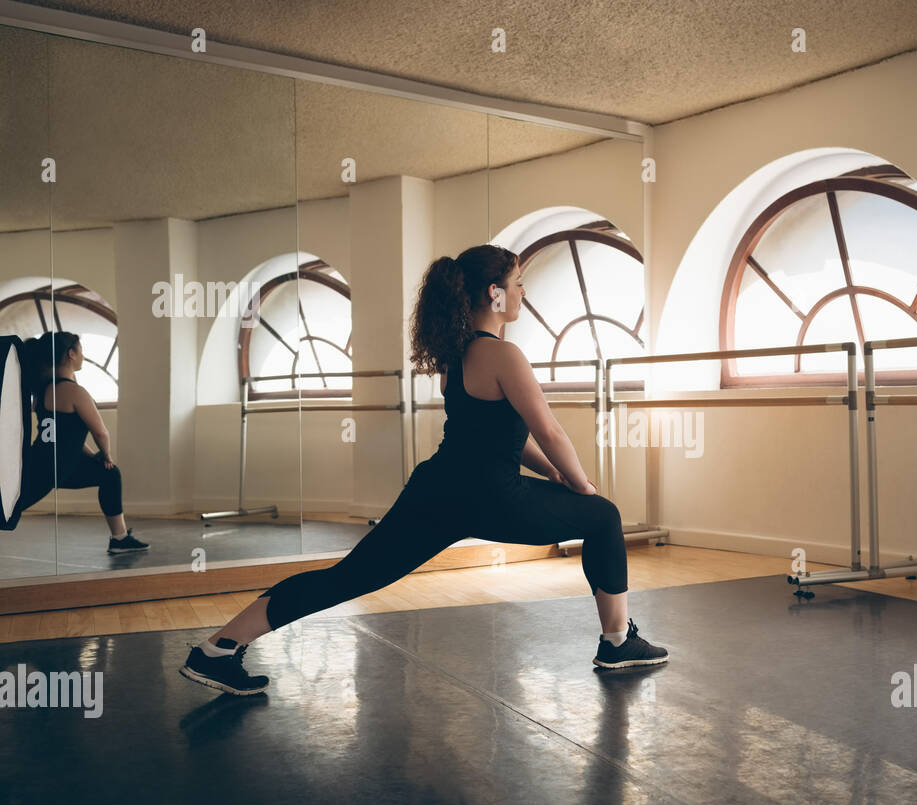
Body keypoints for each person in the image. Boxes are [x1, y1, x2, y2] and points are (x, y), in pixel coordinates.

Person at [180, 244, 668, 695]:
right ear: (495, 294)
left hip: (438, 490)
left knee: (347, 577)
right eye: (519, 282)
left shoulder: (456, 357)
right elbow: (551, 431)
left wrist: (556, 477)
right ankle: (617, 642)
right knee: (603, 516)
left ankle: (217, 649)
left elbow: (496, 436)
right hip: (493, 497)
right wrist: (581, 484)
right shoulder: (503, 354)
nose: (524, 292)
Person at [15, 332, 149, 553]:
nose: (83, 356)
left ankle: (120, 538)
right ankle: (119, 538)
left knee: (110, 475)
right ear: (71, 354)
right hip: (54, 467)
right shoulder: (75, 392)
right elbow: (101, 433)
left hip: (46, 459)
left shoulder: (43, 389)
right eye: (81, 351)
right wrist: (106, 455)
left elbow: (68, 435)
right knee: (12, 508)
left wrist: (93, 457)